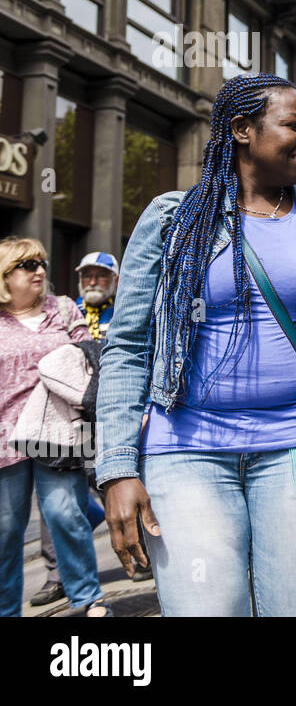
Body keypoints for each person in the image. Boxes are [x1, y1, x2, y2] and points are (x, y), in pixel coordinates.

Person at [95, 74, 296, 617]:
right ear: (242, 130)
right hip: (186, 450)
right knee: (207, 606)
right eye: (294, 127)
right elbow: (127, 346)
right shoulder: (170, 219)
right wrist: (117, 468)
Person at [0, 239, 107, 617]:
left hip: (57, 432)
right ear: (5, 275)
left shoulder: (61, 309)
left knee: (64, 513)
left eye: (42, 263)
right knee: (6, 532)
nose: (40, 271)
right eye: (28, 264)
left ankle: (87, 599)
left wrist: (91, 436)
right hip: (4, 439)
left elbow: (90, 363)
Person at [31, 252, 121, 607]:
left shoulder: (128, 308)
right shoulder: (68, 311)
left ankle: (141, 550)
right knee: (61, 493)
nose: (94, 282)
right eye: (88, 276)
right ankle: (58, 576)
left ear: (115, 279)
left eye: (102, 275)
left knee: (113, 481)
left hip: (111, 415)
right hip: (71, 418)